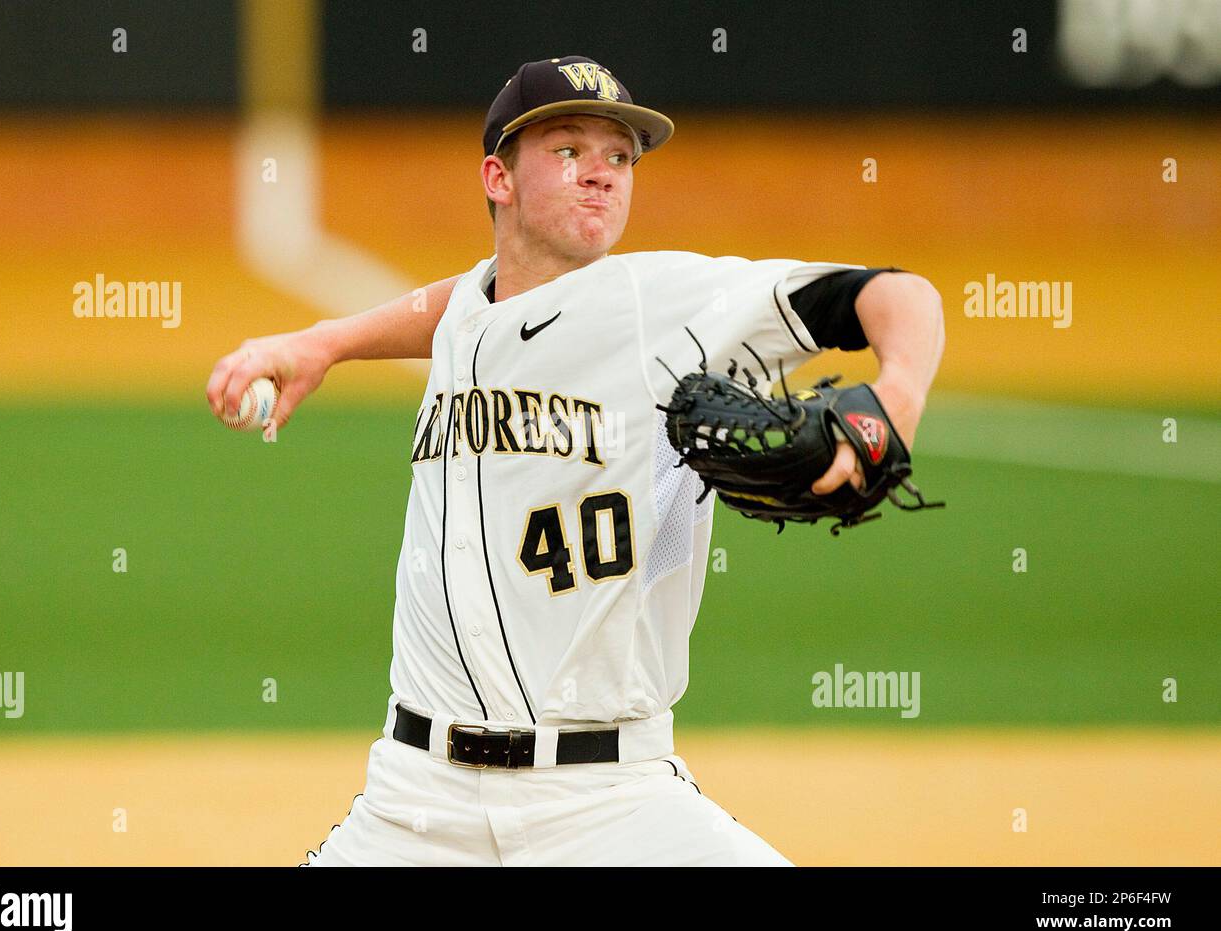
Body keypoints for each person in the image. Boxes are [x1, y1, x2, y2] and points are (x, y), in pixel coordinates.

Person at [206, 55, 944, 866]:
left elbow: (898, 296)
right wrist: (323, 344)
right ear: (500, 179)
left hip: (609, 802)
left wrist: (894, 402)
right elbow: (459, 304)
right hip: (414, 801)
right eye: (568, 151)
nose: (602, 175)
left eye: (620, 158)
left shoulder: (667, 303)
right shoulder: (471, 308)